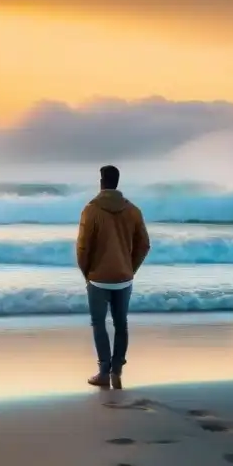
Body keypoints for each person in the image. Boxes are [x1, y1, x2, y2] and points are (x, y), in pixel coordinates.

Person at [76, 165, 150, 389]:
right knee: (121, 324)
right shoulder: (133, 210)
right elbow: (144, 245)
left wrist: (87, 272)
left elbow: (82, 248)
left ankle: (103, 372)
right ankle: (117, 371)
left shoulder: (91, 210)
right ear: (117, 182)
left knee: (99, 324)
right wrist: (130, 268)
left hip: (98, 278)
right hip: (124, 278)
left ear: (101, 182)